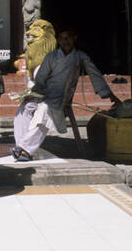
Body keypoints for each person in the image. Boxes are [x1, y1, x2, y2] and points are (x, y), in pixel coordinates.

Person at [12, 26, 116, 161]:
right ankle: (20, 146)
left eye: (67, 38)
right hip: (44, 93)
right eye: (61, 38)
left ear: (74, 39)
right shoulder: (51, 56)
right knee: (25, 108)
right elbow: (41, 78)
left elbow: (94, 74)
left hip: (61, 98)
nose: (64, 41)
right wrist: (32, 93)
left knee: (44, 111)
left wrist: (107, 93)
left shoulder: (80, 57)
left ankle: (25, 149)